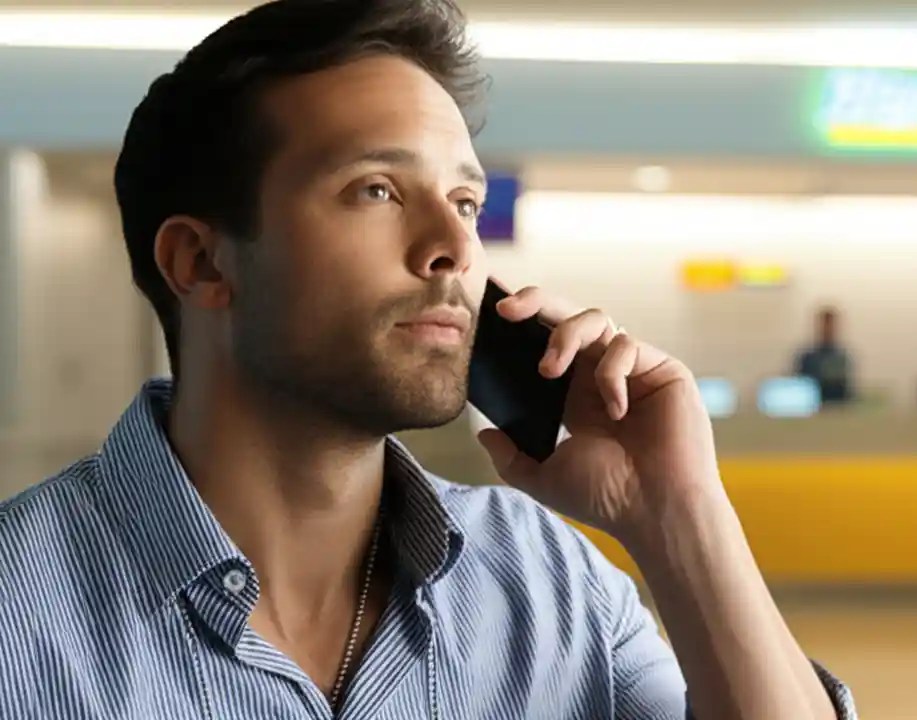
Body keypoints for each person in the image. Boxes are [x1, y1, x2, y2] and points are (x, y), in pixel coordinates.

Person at [0, 2, 856, 718]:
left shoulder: (549, 581)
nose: (455, 248)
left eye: (465, 201)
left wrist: (678, 515)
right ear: (202, 263)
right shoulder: (20, 613)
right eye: (376, 190)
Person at [793, 307, 854, 406]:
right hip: (810, 409)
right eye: (825, 324)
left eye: (830, 325)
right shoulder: (807, 358)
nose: (827, 329)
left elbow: (846, 392)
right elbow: (799, 388)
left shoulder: (842, 358)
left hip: (837, 411)